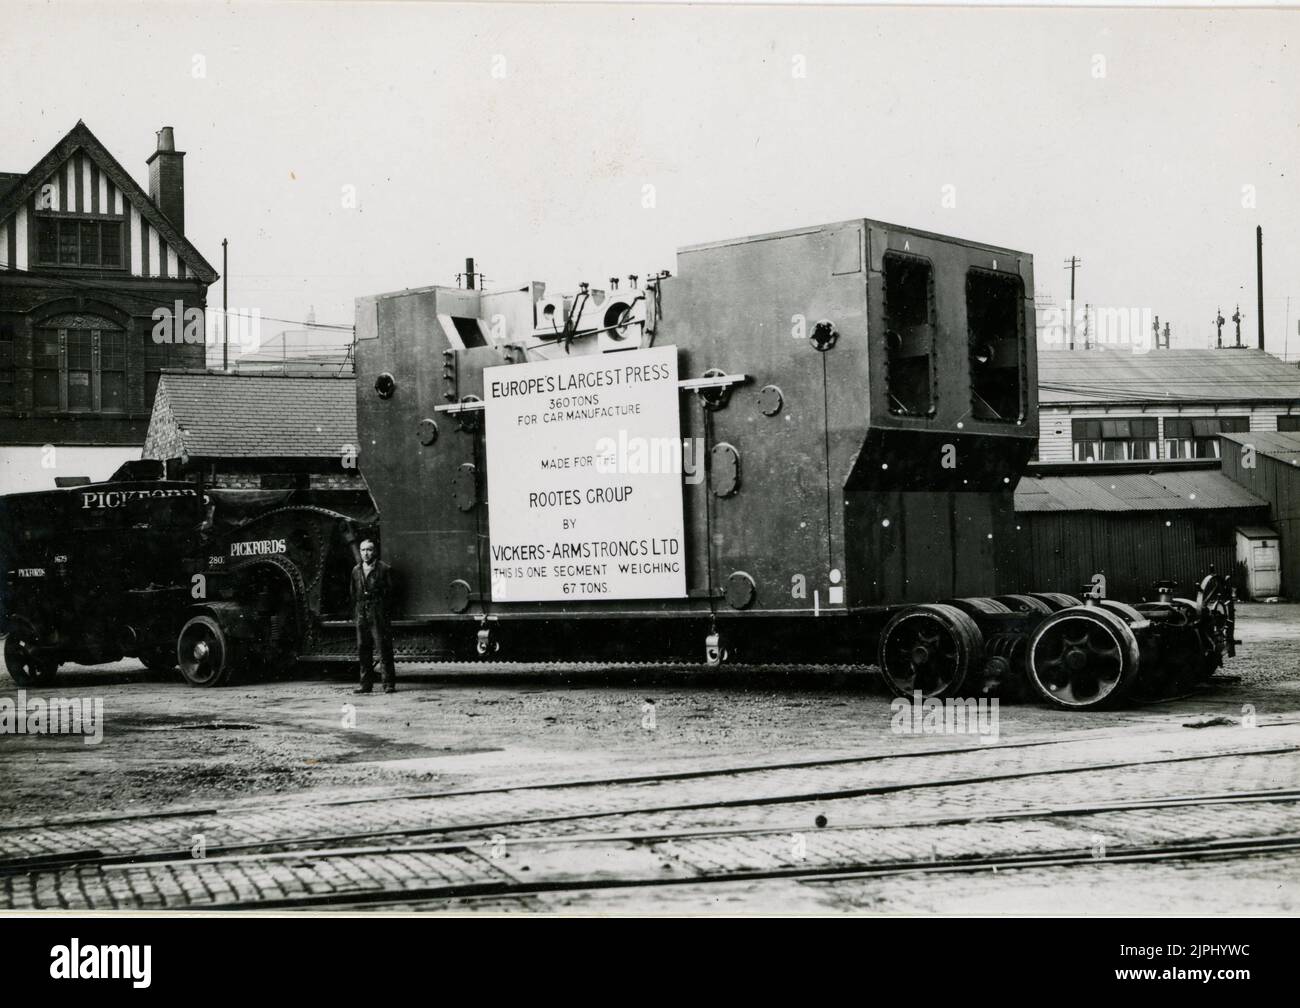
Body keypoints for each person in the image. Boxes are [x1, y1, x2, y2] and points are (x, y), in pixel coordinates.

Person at [350, 538, 396, 694]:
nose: (365, 553)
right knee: (363, 649)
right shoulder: (356, 570)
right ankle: (365, 685)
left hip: (378, 612)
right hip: (361, 612)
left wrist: (381, 609)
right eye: (363, 550)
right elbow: (353, 593)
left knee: (383, 649)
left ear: (374, 551)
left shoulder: (384, 569)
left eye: (369, 550)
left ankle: (388, 684)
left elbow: (390, 593)